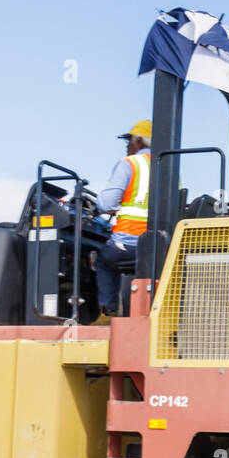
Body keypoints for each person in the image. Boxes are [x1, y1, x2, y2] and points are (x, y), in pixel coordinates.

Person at [94, 120, 151, 315]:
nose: (127, 145)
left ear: (140, 141)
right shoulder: (169, 167)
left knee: (102, 261)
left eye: (129, 140)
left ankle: (107, 312)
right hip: (156, 246)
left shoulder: (130, 164)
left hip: (129, 242)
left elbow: (106, 204)